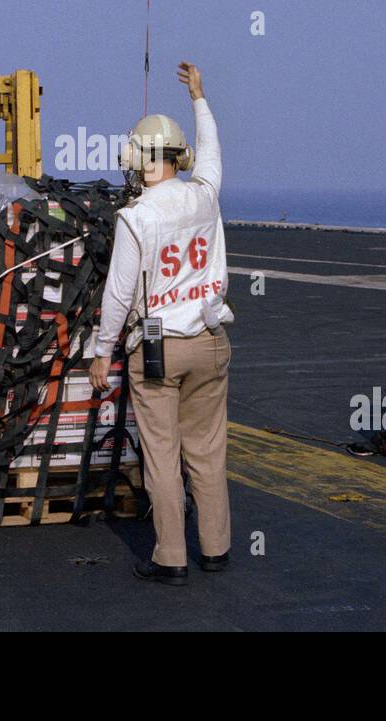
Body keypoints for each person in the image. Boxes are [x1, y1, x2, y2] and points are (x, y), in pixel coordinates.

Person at [89, 62, 233, 587]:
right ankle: (215, 549)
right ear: (177, 157)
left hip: (158, 350)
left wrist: (103, 350)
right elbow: (213, 153)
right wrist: (200, 97)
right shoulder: (205, 195)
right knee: (208, 453)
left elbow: (119, 293)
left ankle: (171, 556)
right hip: (211, 342)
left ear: (143, 161)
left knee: (162, 457)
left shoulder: (136, 217)